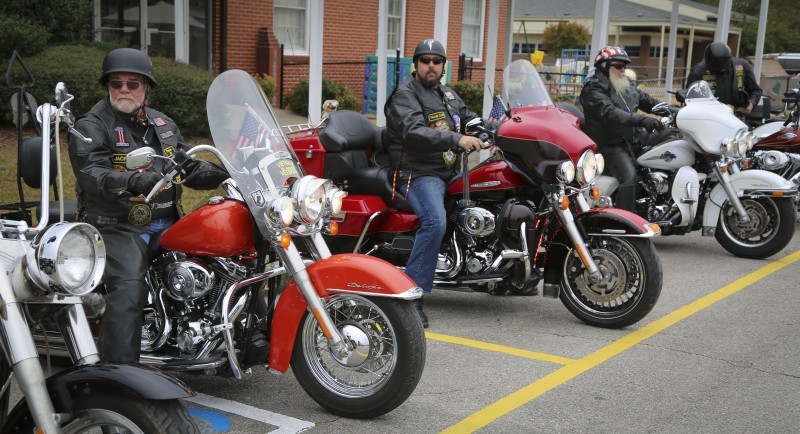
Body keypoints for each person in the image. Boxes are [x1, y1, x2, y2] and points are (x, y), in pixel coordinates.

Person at [68, 48, 228, 362]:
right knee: (129, 288)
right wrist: (130, 181)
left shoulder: (162, 124)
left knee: (224, 257)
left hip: (167, 222)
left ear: (147, 89)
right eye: (117, 84)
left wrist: (224, 172)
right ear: (108, 87)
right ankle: (118, 377)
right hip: (116, 225)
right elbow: (92, 173)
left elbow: (186, 165)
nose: (124, 89)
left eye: (133, 83)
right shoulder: (91, 125)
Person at [384, 39, 491, 328]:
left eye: (436, 60)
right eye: (425, 60)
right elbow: (414, 131)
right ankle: (411, 296)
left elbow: (469, 119)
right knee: (435, 222)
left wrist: (494, 128)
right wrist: (457, 139)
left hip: (448, 171)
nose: (431, 65)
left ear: (444, 66)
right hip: (417, 173)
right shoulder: (405, 94)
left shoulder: (448, 95)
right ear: (416, 64)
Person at [580, 46, 662, 212]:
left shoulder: (624, 85)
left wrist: (675, 110)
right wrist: (642, 120)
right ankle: (625, 224)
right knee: (629, 177)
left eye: (625, 66)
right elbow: (611, 113)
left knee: (669, 142)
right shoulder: (593, 89)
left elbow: (647, 101)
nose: (623, 70)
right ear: (604, 66)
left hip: (632, 140)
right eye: (618, 66)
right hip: (609, 146)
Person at [686, 42, 762, 115]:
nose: (722, 70)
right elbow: (690, 99)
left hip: (737, 116)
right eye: (718, 69)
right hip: (709, 117)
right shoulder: (698, 71)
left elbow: (755, 90)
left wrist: (751, 103)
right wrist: (721, 108)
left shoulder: (742, 67)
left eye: (724, 68)